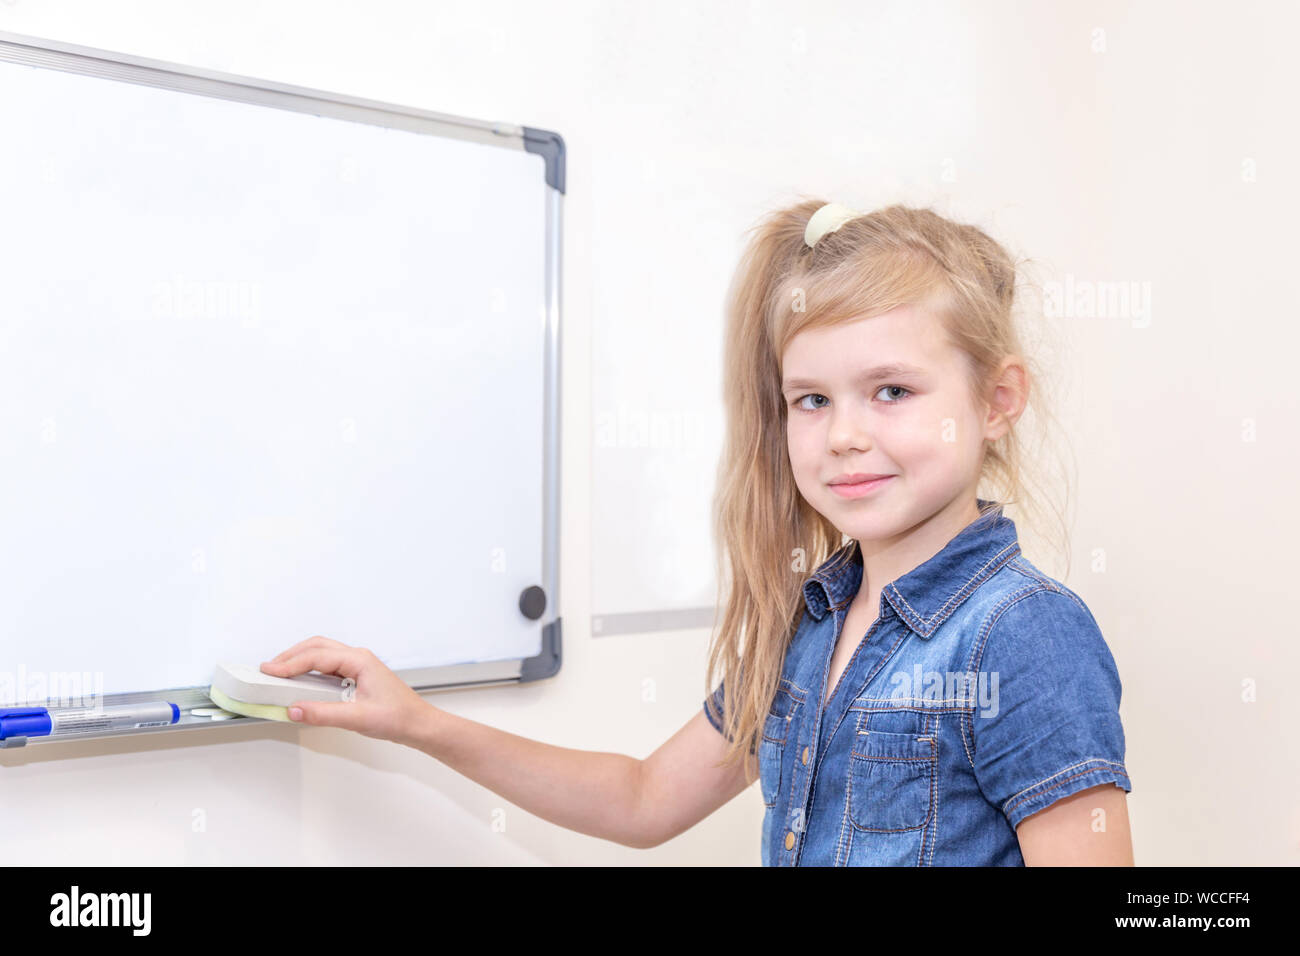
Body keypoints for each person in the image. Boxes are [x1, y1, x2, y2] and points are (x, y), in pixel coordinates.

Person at [262, 199, 1133, 865]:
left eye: (892, 391)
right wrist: (418, 722)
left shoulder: (1023, 635)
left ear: (997, 402)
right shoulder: (813, 620)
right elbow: (641, 800)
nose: (844, 435)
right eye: (812, 400)